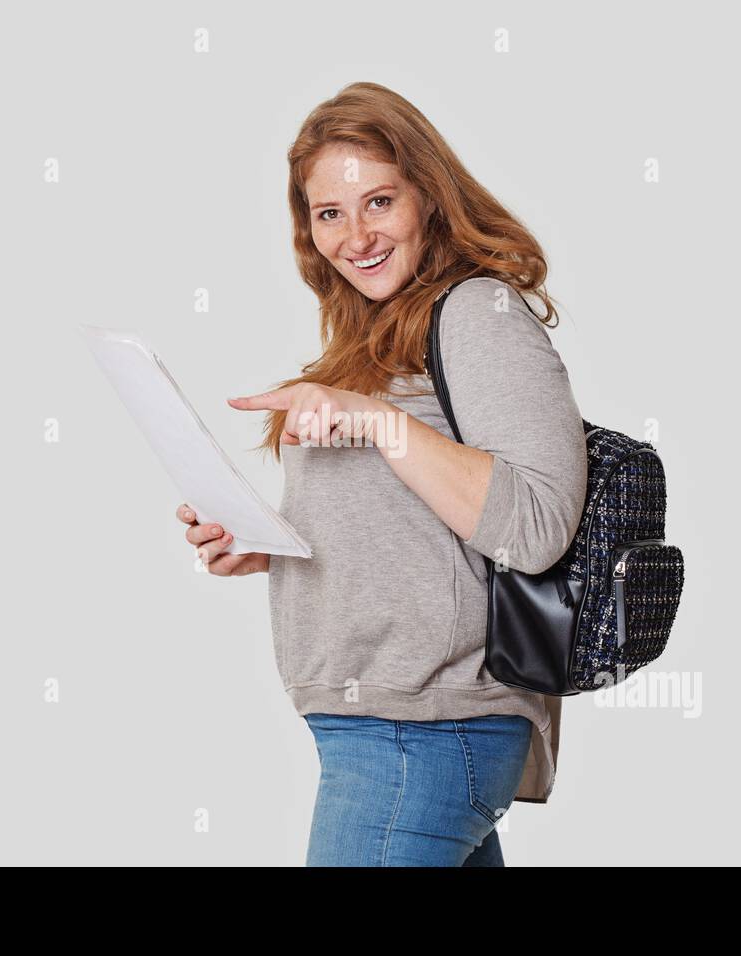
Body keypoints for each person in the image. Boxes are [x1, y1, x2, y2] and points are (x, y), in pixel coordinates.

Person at [175, 81, 588, 866]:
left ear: (429, 197)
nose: (354, 235)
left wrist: (376, 421)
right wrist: (265, 545)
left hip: (422, 732)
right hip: (390, 730)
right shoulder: (372, 338)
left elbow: (535, 525)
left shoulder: (476, 313)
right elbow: (424, 526)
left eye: (379, 202)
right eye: (329, 213)